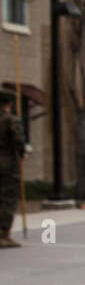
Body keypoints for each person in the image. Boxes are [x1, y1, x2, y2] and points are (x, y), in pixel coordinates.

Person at [0, 91, 25, 248]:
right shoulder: (10, 120)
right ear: (8, 104)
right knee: (7, 197)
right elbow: (18, 140)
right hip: (6, 162)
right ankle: (3, 234)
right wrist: (21, 155)